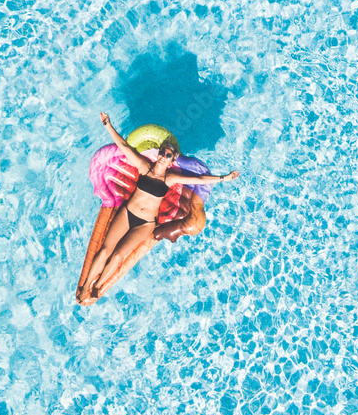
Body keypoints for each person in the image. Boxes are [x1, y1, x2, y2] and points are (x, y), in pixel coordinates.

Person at [76, 112, 240, 305]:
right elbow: (123, 146)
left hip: (145, 224)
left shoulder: (170, 179)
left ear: (172, 161)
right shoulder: (144, 166)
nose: (163, 155)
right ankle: (86, 284)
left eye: (168, 155)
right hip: (128, 213)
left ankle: (99, 284)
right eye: (162, 152)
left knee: (119, 255)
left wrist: (224, 178)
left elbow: (199, 179)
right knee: (104, 251)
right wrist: (108, 125)